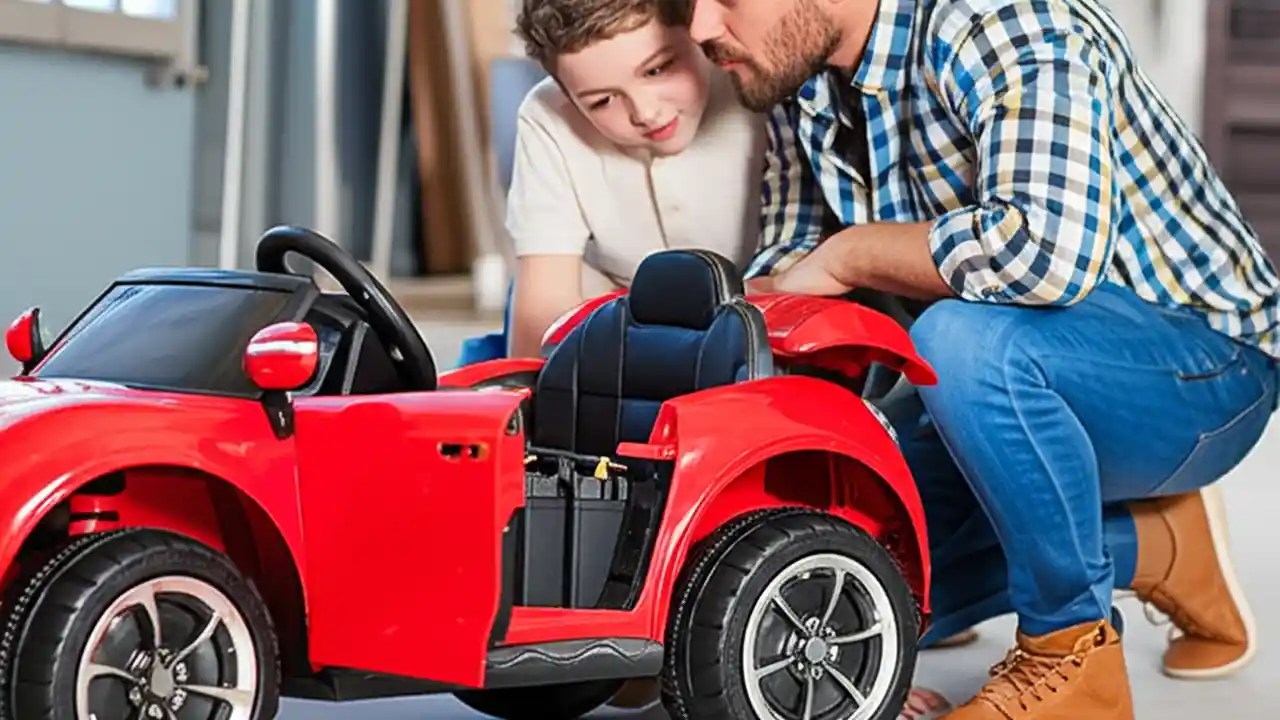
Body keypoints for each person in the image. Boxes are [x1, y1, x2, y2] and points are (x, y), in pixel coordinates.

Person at [687, 0, 1280, 718]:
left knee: (961, 339)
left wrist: (851, 251)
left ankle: (1073, 654)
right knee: (855, 590)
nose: (699, 28)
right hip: (989, 385)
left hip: (1204, 370)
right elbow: (793, 271)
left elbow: (1043, 254)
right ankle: (1150, 544)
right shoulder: (798, 71)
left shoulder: (1003, 20)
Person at [484, 0, 766, 361]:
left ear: (696, 28)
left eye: (658, 69)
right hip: (624, 319)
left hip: (756, 314)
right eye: (602, 101)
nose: (646, 113)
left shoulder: (754, 82)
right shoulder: (546, 118)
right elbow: (542, 317)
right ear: (569, 98)